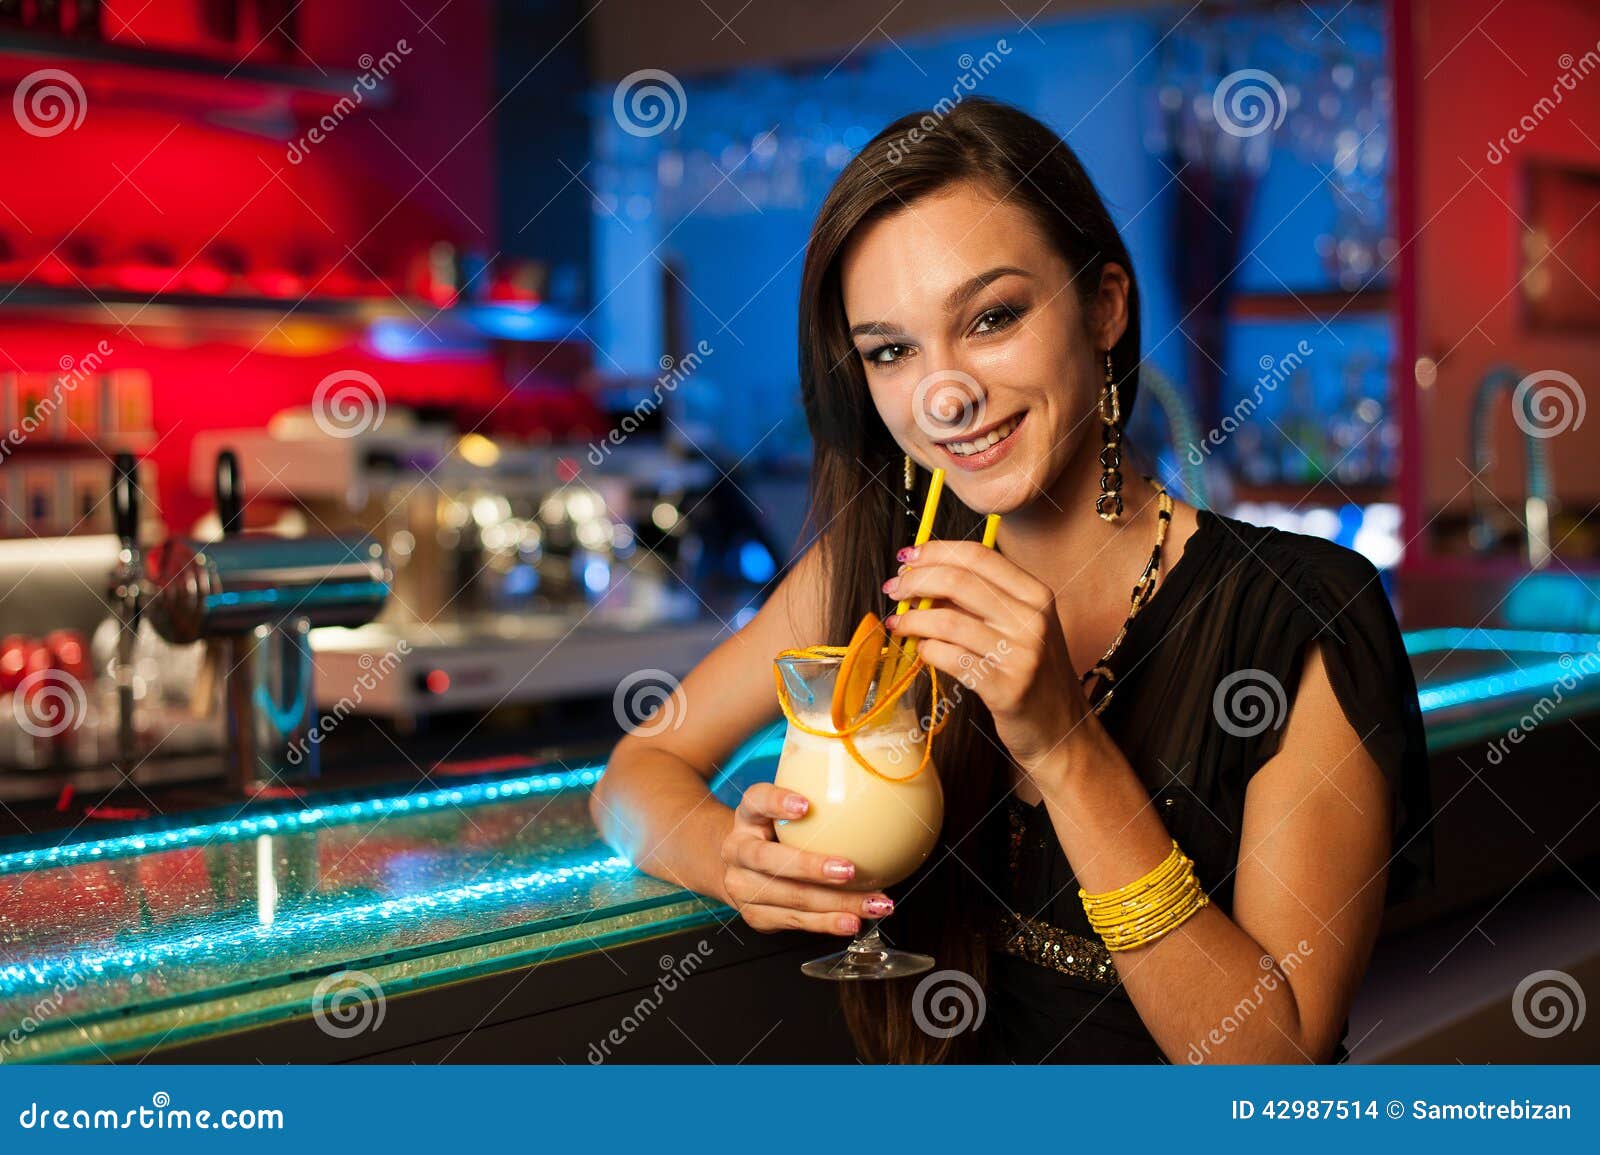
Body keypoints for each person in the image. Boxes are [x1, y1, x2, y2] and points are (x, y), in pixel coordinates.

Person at [591, 97, 1432, 1064]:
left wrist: (1066, 744)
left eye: (991, 318)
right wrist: (729, 861)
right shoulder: (879, 573)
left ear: (1104, 305)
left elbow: (1276, 1073)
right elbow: (632, 778)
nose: (944, 392)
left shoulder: (1299, 616)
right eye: (891, 351)